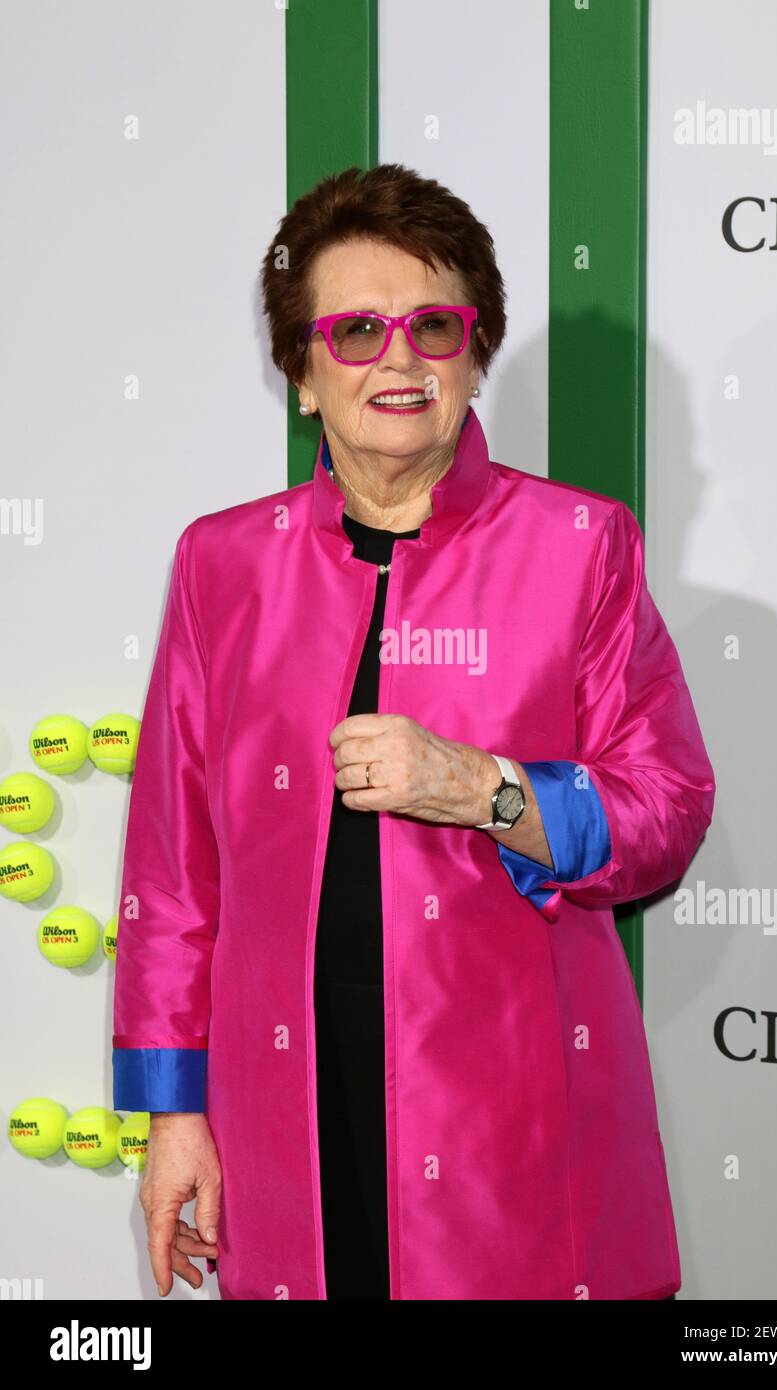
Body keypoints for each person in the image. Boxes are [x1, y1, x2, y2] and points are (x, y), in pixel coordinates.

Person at [112, 162, 715, 1301]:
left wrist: (486, 787)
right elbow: (171, 870)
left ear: (474, 354)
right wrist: (172, 1112)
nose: (397, 358)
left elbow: (666, 812)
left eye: (433, 324)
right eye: (352, 331)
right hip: (282, 1111)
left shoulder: (580, 545)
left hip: (513, 1126)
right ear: (299, 375)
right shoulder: (221, 564)